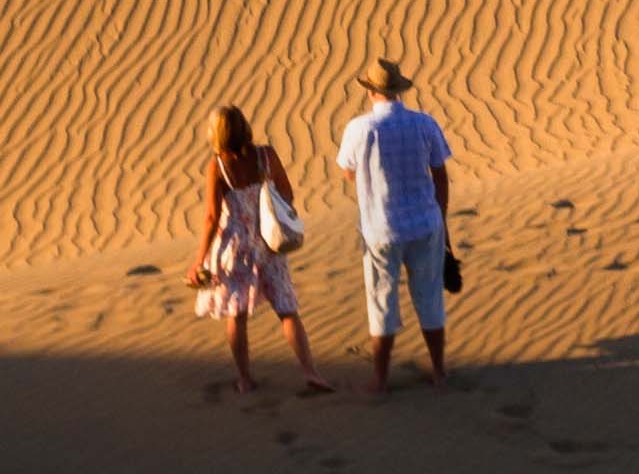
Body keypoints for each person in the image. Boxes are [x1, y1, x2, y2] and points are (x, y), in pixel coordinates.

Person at [333, 55, 458, 395]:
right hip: (425, 222)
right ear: (399, 90)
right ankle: (439, 371)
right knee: (429, 297)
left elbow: (347, 171)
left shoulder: (359, 129)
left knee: (381, 301)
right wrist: (441, 216)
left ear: (371, 92)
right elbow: (440, 173)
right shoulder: (424, 123)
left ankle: (381, 379)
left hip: (381, 229)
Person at [189, 104, 331, 397]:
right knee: (287, 310)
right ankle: (310, 372)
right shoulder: (266, 155)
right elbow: (287, 193)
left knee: (237, 315)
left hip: (236, 248)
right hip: (269, 244)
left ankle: (245, 379)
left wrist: (199, 260)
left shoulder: (218, 166)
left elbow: (211, 217)